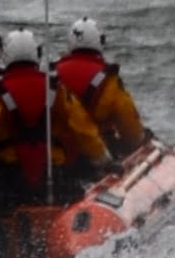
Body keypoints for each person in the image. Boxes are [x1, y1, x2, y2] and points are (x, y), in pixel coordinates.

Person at [0, 30, 114, 203]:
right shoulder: (54, 88)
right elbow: (83, 128)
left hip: (10, 177)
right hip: (52, 174)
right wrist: (104, 160)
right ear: (37, 54)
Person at [54, 16, 147, 156]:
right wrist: (139, 141)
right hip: (97, 152)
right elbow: (129, 124)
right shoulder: (108, 79)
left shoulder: (52, 75)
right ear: (99, 41)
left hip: (59, 155)